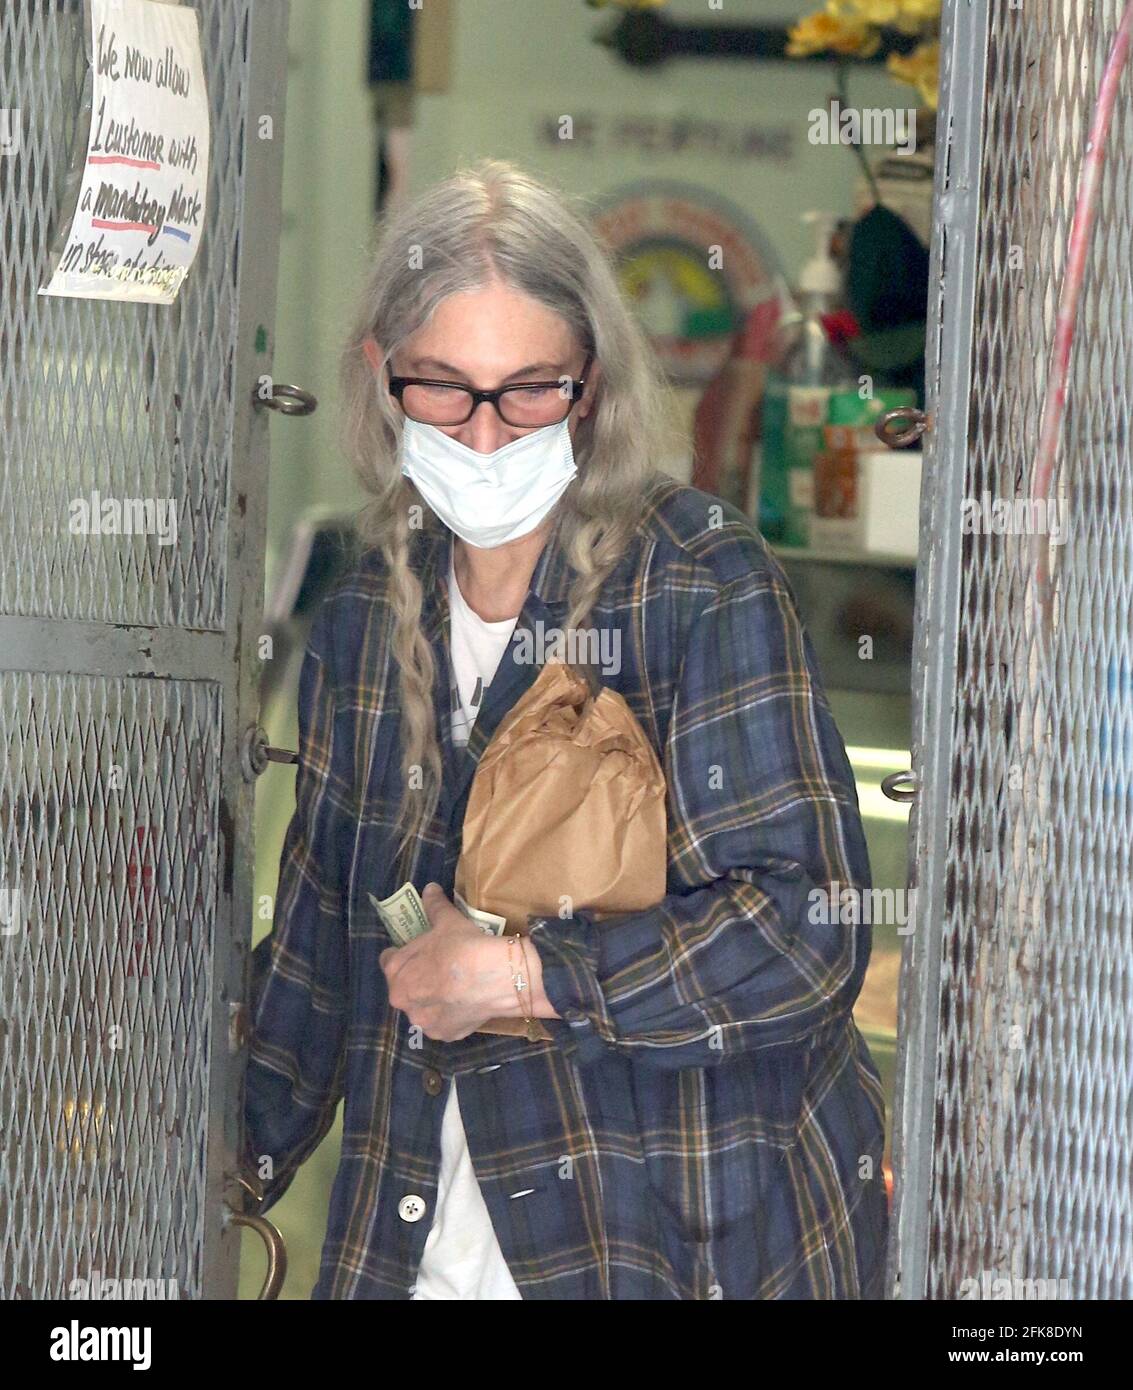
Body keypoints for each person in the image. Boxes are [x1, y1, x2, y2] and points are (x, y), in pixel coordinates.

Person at [242, 158, 888, 1300]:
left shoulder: (694, 581)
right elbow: (315, 952)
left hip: (664, 1243)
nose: (484, 437)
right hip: (419, 1241)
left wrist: (521, 977)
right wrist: (178, 1161)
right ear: (376, 374)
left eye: (528, 388)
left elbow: (801, 934)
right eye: (442, 387)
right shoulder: (360, 611)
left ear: (590, 385)